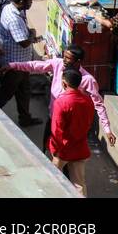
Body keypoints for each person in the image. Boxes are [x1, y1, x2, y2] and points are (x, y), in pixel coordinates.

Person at [4, 46, 116, 150]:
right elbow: (35, 65)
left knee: (64, 158)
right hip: (52, 120)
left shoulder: (88, 80)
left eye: (68, 58)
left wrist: (107, 129)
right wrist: (13, 65)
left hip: (71, 127)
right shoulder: (58, 64)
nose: (64, 60)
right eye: (64, 56)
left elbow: (99, 105)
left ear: (78, 62)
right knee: (46, 150)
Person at [0, 0, 41, 127]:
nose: (31, 3)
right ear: (20, 1)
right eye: (30, 1)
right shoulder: (14, 18)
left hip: (22, 63)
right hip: (14, 64)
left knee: (24, 91)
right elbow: (24, 42)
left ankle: (25, 117)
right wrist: (32, 34)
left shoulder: (10, 8)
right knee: (6, 93)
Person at [47, 67, 95, 195]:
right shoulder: (88, 101)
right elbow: (89, 122)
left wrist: (55, 150)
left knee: (53, 181)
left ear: (64, 83)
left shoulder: (61, 102)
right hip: (80, 148)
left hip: (62, 149)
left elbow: (56, 130)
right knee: (79, 185)